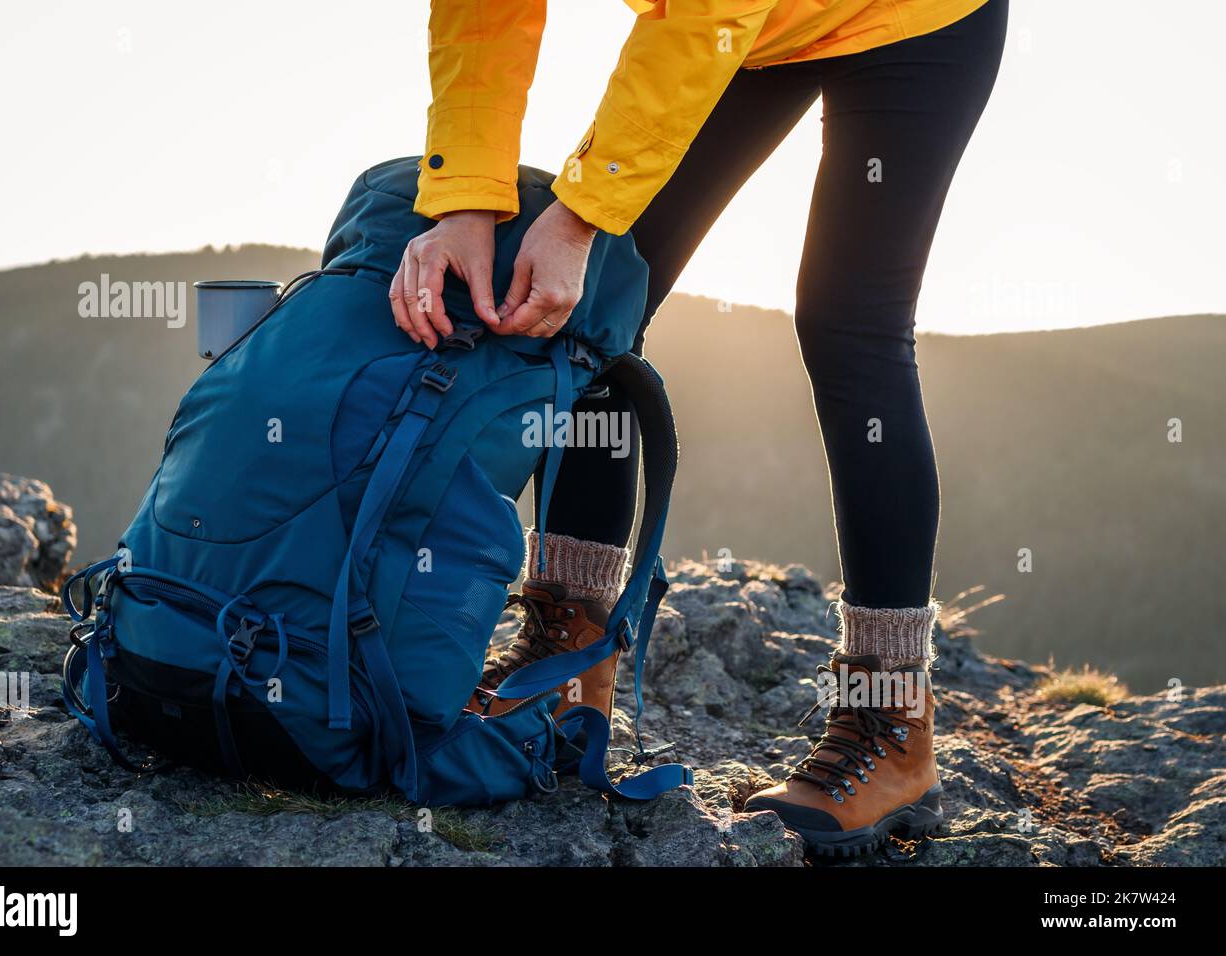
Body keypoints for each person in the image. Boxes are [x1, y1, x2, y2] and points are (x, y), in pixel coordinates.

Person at [390, 0, 1008, 854]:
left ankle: (892, 726)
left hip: (908, 19)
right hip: (753, 27)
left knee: (849, 323)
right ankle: (569, 657)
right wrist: (464, 197)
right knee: (597, 306)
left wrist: (579, 215)